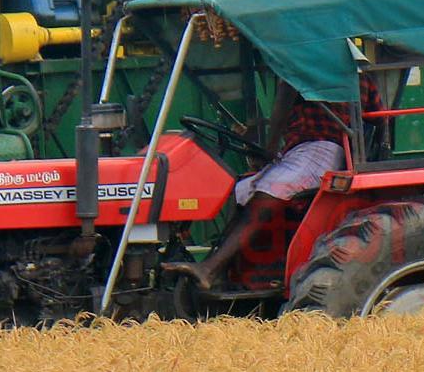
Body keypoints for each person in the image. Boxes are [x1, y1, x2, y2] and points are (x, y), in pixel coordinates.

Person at [163, 74, 383, 291]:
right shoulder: (359, 75)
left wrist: (269, 147)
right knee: (242, 189)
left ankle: (210, 269)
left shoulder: (299, 68)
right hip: (308, 151)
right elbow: (381, 119)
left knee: (271, 189)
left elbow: (281, 110)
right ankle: (220, 268)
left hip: (321, 148)